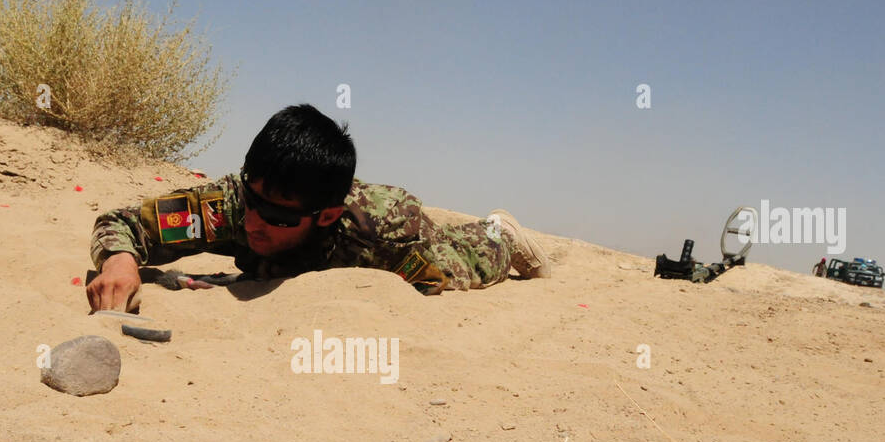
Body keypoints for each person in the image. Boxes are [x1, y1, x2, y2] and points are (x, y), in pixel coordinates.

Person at [86, 104, 551, 311]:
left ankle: (499, 229)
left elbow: (431, 287)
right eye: (252, 201)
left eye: (278, 216)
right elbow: (122, 223)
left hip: (399, 231)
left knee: (466, 263)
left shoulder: (383, 236)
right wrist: (121, 261)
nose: (253, 223)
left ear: (325, 216)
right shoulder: (228, 203)